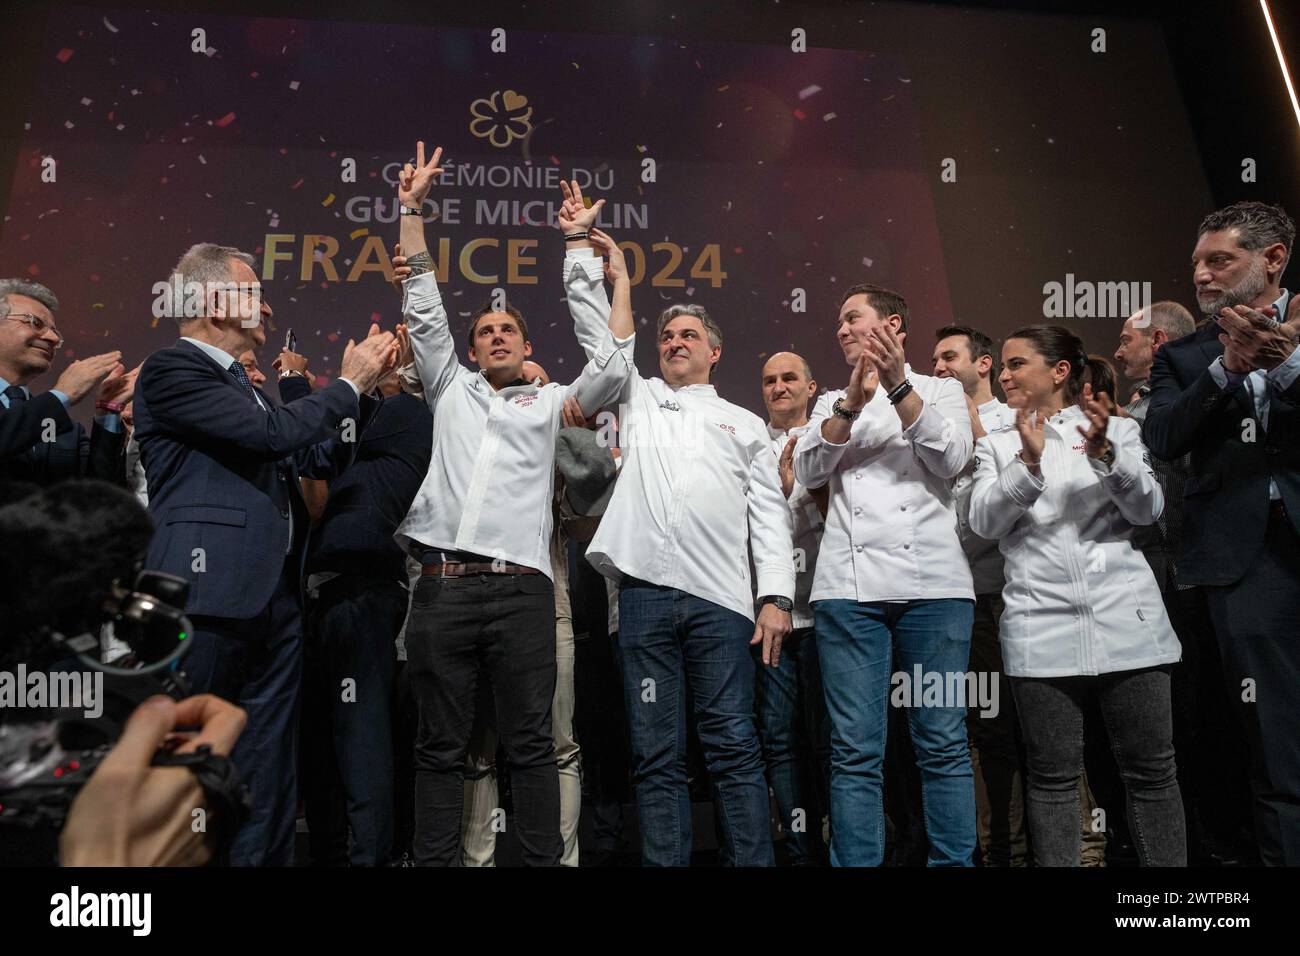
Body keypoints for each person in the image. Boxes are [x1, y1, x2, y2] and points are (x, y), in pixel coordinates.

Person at [394, 146, 635, 866]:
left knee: (531, 745)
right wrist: (410, 212)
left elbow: (614, 367)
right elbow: (422, 297)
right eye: (484, 333)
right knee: (440, 747)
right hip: (441, 589)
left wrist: (575, 252)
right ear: (466, 352)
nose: (495, 335)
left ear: (529, 347)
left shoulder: (552, 404)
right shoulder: (450, 391)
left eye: (509, 331)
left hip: (523, 590)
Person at [132, 241, 396, 865]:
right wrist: (349, 383)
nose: (268, 307)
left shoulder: (246, 389)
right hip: (204, 597)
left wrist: (369, 394)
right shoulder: (174, 369)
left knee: (267, 778)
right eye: (253, 292)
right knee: (185, 767)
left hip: (273, 605)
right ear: (218, 303)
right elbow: (271, 435)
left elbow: (312, 456)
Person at [574, 224, 795, 867]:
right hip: (643, 598)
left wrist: (776, 596)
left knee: (732, 744)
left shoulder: (747, 424)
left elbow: (770, 520)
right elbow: (602, 341)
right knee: (655, 754)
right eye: (666, 336)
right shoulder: (636, 398)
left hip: (722, 603)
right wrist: (598, 270)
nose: (673, 343)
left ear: (714, 352)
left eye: (687, 336)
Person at [969, 324, 1186, 866]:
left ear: (1059, 372)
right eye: (1003, 365)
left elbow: (1148, 511)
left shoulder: (1115, 428)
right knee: (1052, 777)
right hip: (1038, 626)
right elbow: (983, 522)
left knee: (1152, 772)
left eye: (1017, 364)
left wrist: (1109, 457)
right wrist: (1030, 464)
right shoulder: (997, 443)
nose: (1004, 373)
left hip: (1128, 618)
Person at [794, 285, 976, 867]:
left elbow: (950, 460)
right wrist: (850, 403)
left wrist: (898, 388)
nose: (841, 330)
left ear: (892, 324)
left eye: (853, 318)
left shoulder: (944, 389)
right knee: (854, 750)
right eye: (838, 323)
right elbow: (808, 471)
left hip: (936, 593)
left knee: (943, 743)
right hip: (850, 596)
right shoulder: (828, 401)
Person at [1143, 200, 1300, 866]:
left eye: (1220, 260)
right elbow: (1164, 436)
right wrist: (1228, 369)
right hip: (1244, 567)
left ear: (1273, 258)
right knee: (1270, 742)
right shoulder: (1183, 356)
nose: (1202, 276)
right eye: (1196, 264)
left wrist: (1288, 367)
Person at [288, 334, 432, 867]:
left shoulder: (407, 414)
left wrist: (296, 386)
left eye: (388, 354)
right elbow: (315, 471)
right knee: (321, 741)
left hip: (365, 592)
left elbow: (319, 436)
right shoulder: (353, 427)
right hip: (318, 596)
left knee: (360, 734)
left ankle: (372, 856)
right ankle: (330, 853)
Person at [933, 324, 1026, 866]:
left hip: (1010, 595)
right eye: (935, 360)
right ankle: (993, 850)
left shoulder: (1011, 421)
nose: (939, 367)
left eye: (949, 357)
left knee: (1031, 732)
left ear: (984, 364)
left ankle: (1054, 850)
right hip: (961, 600)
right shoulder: (934, 429)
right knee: (977, 733)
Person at [755, 351, 831, 865]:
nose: (779, 387)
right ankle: (803, 854)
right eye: (769, 380)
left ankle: (847, 847)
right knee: (780, 739)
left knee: (834, 740)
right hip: (772, 617)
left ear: (812, 386)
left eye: (789, 378)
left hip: (830, 611)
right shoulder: (747, 442)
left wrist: (796, 493)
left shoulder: (832, 440)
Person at [0, 278, 133, 484]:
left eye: (55, 331)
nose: (53, 338)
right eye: (35, 323)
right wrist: (61, 395)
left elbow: (97, 496)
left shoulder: (65, 428)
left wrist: (108, 411)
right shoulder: (54, 408)